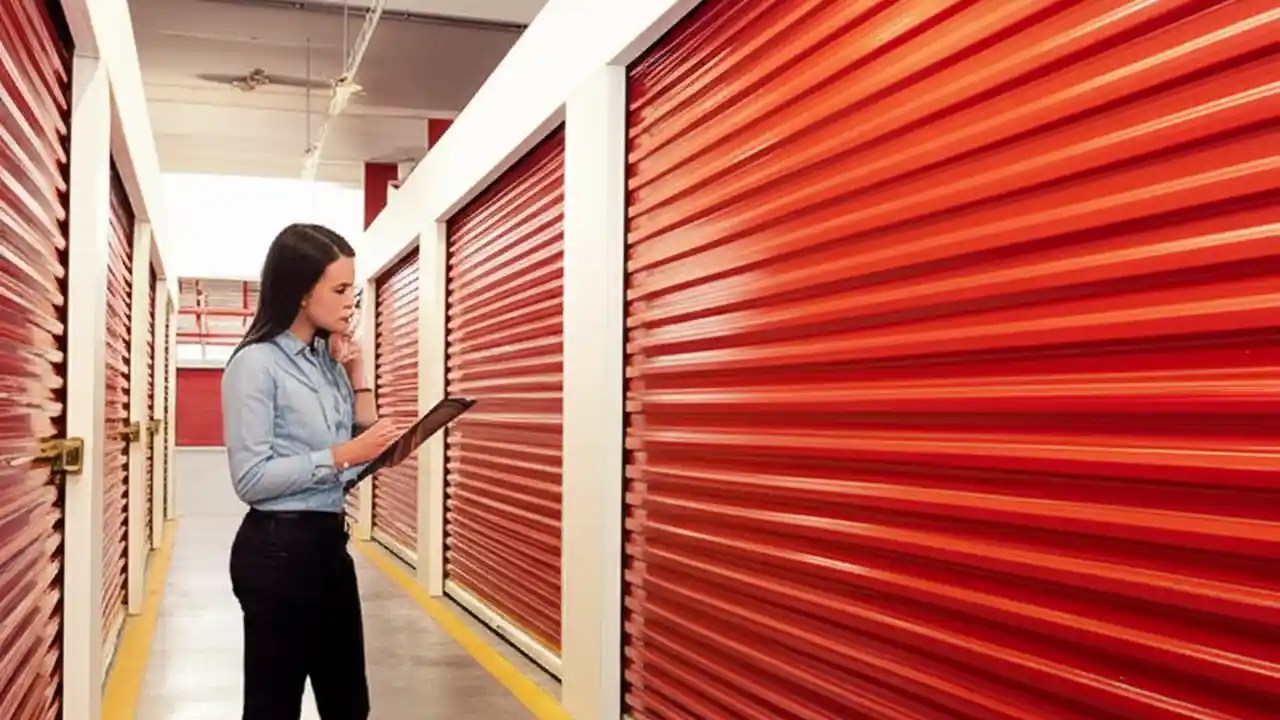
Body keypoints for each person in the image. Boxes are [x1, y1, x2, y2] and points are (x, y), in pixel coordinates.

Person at [221, 223, 403, 719]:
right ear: (302, 292)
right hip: (277, 553)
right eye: (340, 290)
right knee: (274, 707)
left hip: (327, 547)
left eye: (354, 290)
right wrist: (344, 454)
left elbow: (363, 439)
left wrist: (357, 373)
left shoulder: (327, 363)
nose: (351, 304)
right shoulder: (255, 366)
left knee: (348, 704)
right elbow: (251, 479)